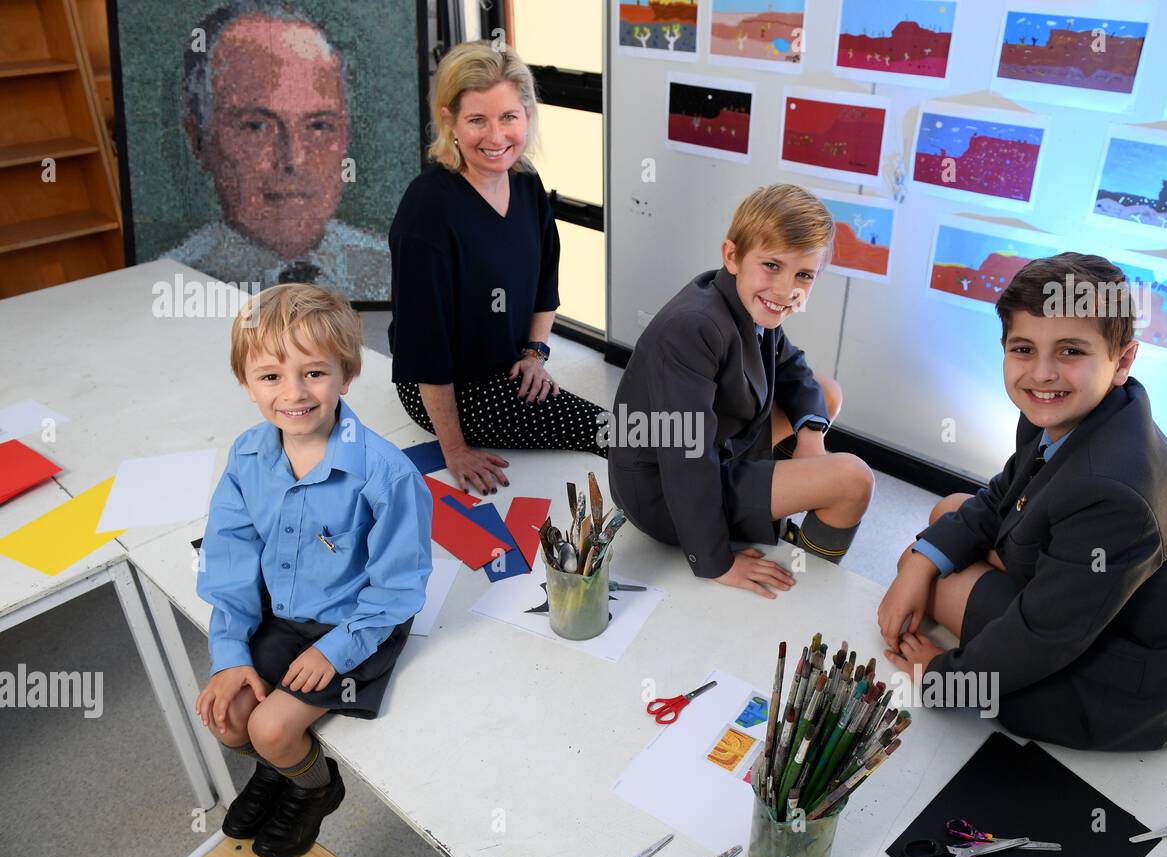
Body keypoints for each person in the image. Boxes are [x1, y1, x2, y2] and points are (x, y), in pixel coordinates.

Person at [879, 253, 1167, 751]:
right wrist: (919, 561)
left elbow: (1043, 639)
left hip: (1124, 693)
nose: (1042, 373)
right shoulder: (1065, 411)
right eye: (1023, 348)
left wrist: (942, 676)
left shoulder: (1115, 492)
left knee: (943, 581)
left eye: (1069, 352)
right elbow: (1003, 492)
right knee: (946, 520)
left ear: (1122, 361)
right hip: (1096, 605)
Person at [195, 283, 432, 857]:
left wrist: (334, 652)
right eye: (271, 376)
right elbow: (229, 559)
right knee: (230, 719)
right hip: (282, 619)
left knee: (271, 728)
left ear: (346, 376)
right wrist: (229, 653)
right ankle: (281, 769)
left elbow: (398, 588)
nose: (294, 393)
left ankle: (314, 786)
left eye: (314, 373)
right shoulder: (246, 457)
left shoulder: (387, 473)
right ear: (247, 384)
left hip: (358, 628)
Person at [609, 184, 875, 598]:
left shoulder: (746, 300)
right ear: (731, 256)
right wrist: (716, 561)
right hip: (663, 493)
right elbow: (685, 454)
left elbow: (792, 367)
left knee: (826, 393)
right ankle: (809, 578)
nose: (788, 291)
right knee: (853, 479)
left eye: (803, 275)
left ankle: (774, 509)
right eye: (772, 265)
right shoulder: (694, 326)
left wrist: (810, 439)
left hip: (719, 445)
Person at [389, 40, 607, 495]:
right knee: (608, 430)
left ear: (527, 113)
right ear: (448, 119)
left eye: (509, 117)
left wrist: (534, 353)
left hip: (508, 363)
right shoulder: (426, 213)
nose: (496, 137)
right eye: (477, 120)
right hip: (448, 387)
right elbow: (425, 350)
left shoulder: (526, 181)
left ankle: (741, 474)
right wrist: (455, 450)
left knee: (623, 429)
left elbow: (546, 280)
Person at [164, 1, 389, 299]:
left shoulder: (391, 268)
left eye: (318, 126)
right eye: (256, 126)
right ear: (199, 140)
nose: (293, 158)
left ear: (345, 136)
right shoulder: (176, 284)